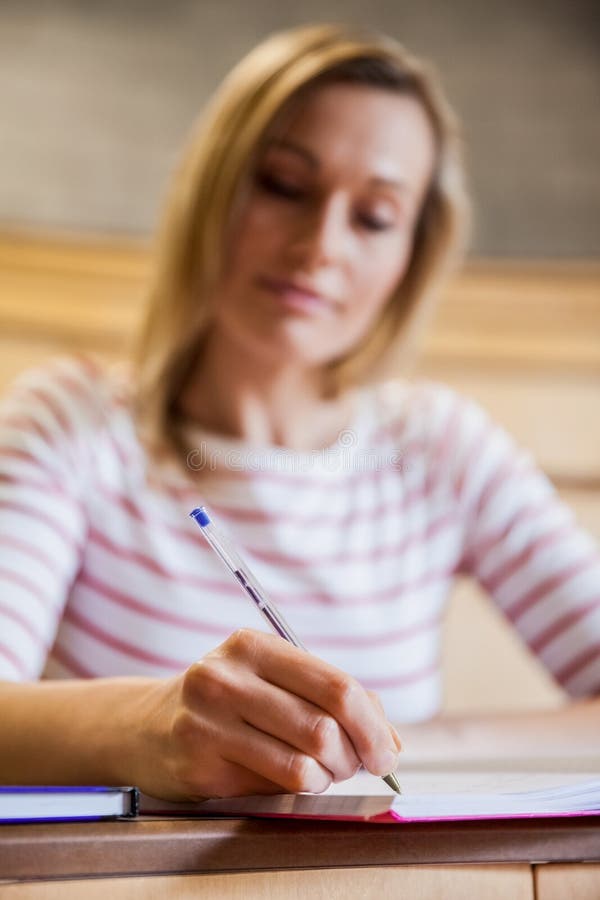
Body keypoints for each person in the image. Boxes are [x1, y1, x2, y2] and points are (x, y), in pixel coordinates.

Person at [0, 23, 598, 802]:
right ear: (212, 190)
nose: (320, 244)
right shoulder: (70, 425)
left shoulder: (443, 447)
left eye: (375, 217)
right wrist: (154, 724)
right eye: (285, 186)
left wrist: (397, 741)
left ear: (411, 258)